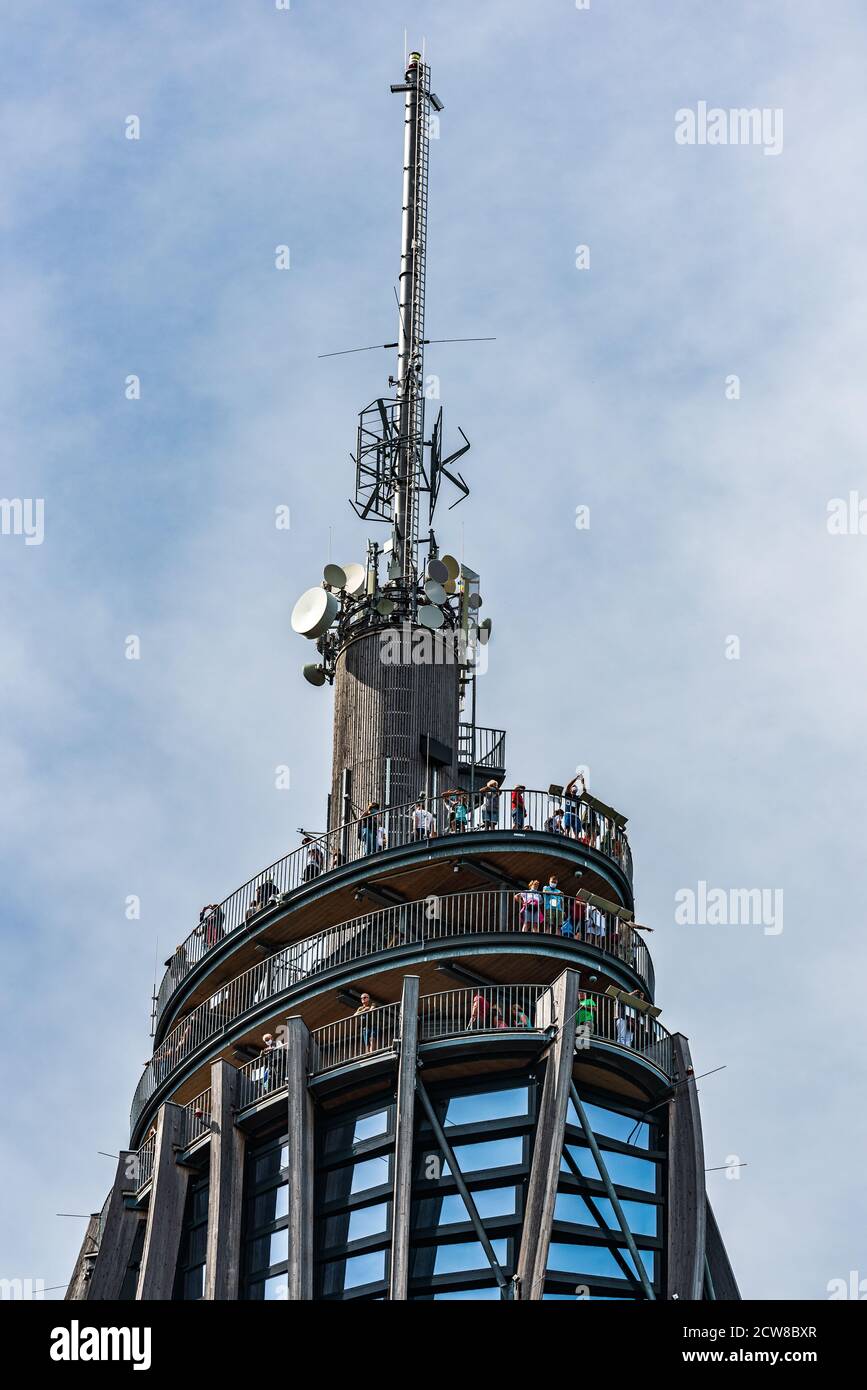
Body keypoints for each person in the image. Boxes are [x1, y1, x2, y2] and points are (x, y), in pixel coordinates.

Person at [563, 771, 586, 839]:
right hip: (568, 813)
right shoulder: (568, 795)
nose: (574, 787)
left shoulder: (578, 798)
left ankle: (576, 839)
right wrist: (576, 778)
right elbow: (568, 786)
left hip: (576, 815)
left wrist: (583, 783)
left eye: (575, 787)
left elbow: (584, 794)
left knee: (577, 830)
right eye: (573, 787)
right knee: (567, 828)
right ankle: (566, 838)